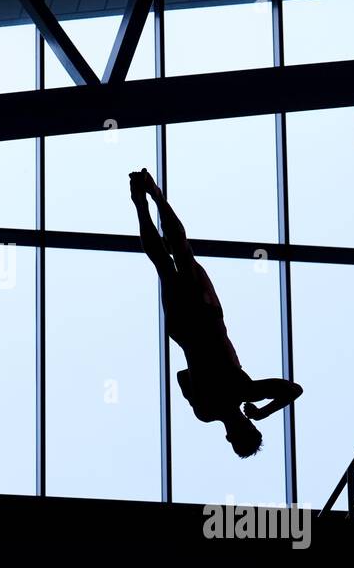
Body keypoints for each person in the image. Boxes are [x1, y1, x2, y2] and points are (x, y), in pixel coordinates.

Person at [129, 168, 302, 458]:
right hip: (186, 331)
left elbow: (292, 390)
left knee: (180, 255)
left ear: (246, 426)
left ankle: (153, 196)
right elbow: (183, 377)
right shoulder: (206, 411)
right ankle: (142, 202)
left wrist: (263, 411)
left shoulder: (244, 392)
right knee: (164, 263)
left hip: (205, 320)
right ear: (229, 437)